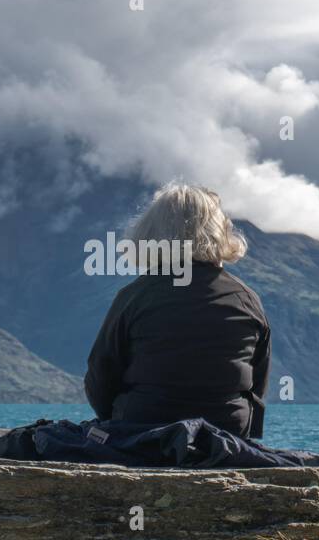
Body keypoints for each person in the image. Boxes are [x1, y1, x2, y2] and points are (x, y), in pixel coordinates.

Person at [84, 183, 272, 439]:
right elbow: (256, 386)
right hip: (225, 432)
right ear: (219, 234)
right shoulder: (247, 300)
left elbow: (100, 379)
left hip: (143, 428)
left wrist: (114, 423)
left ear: (150, 236)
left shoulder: (134, 297)